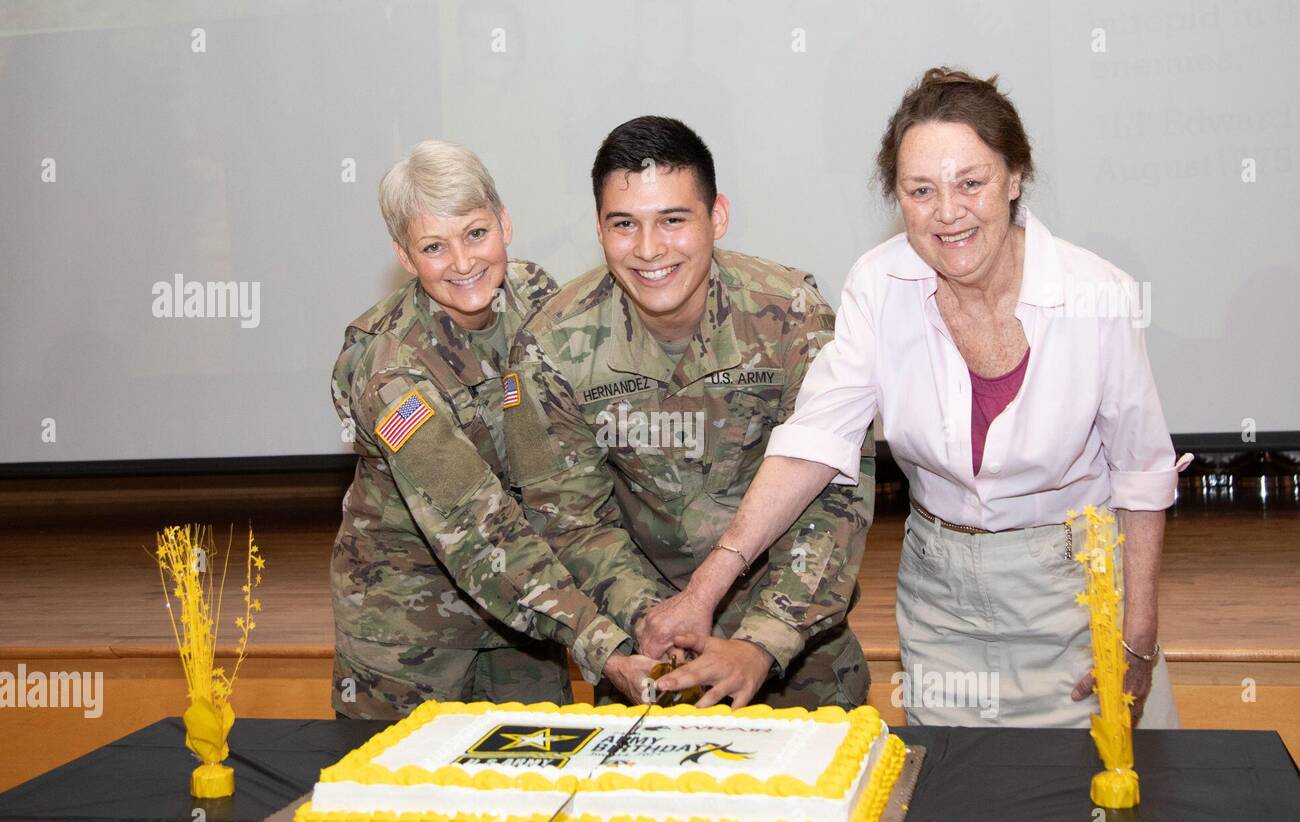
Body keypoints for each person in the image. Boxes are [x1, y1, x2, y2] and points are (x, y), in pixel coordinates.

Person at [655, 69, 1189, 728]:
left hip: (1078, 602)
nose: (947, 212)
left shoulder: (1096, 294)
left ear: (1015, 177)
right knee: (955, 813)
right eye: (921, 190)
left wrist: (1137, 635)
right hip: (942, 607)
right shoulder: (879, 284)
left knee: (1100, 818)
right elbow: (813, 442)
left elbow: (1140, 475)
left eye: (972, 182)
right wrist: (707, 586)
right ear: (897, 197)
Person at [504, 116, 875, 710]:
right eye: (624, 224)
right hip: (648, 657)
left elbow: (836, 497)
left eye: (673, 220)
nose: (649, 250)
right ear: (599, 230)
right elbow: (571, 519)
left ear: (717, 217)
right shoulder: (552, 344)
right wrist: (660, 624)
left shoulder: (790, 316)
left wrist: (762, 641)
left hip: (794, 652)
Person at [331, 140, 656, 719]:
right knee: (404, 802)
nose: (462, 263)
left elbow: (571, 464)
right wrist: (602, 646)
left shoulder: (536, 297)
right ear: (406, 257)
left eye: (476, 233)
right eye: (434, 246)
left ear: (504, 223)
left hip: (529, 614)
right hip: (411, 631)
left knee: (537, 788)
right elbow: (475, 525)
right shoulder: (391, 371)